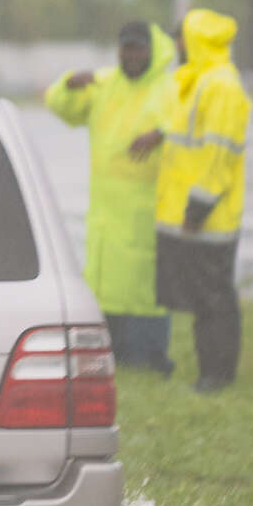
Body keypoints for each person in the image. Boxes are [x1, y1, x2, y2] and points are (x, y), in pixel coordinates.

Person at [44, 19, 178, 373]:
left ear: (152, 50)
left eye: (138, 48)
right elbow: (62, 107)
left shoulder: (169, 88)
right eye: (126, 48)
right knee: (108, 290)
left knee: (144, 291)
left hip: (147, 209)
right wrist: (69, 83)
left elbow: (188, 125)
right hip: (107, 212)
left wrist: (159, 135)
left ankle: (150, 357)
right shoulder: (104, 84)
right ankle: (112, 355)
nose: (131, 55)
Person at [149, 7, 253, 393]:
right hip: (194, 215)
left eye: (181, 39)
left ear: (194, 42)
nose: (177, 46)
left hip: (211, 217)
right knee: (204, 299)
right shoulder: (197, 81)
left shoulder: (221, 86)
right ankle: (209, 371)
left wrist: (198, 206)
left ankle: (217, 375)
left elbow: (218, 155)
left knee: (214, 299)